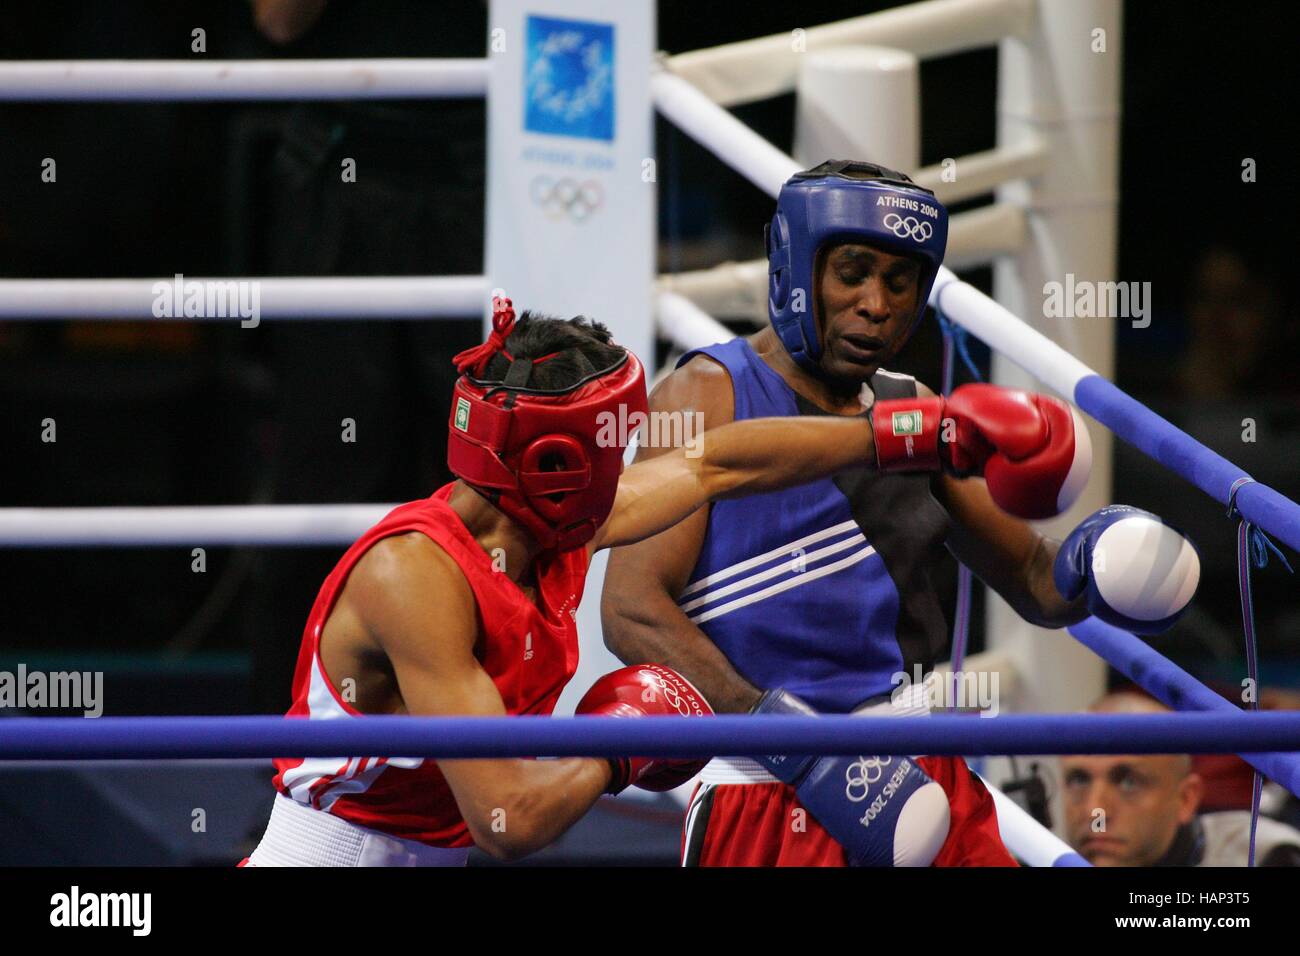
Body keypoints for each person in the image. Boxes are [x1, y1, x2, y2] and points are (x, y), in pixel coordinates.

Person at [244, 293, 1094, 866]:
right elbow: (508, 818)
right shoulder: (415, 577)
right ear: (554, 464)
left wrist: (914, 433)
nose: (631, 465)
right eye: (611, 450)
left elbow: (718, 462)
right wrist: (621, 746)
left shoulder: (548, 526)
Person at [601, 160, 1202, 867]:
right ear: (798, 268)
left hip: (927, 775)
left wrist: (1101, 563)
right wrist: (794, 748)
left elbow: (1034, 579)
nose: (876, 303)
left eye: (898, 280)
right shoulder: (707, 394)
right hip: (773, 797)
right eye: (851, 272)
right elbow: (631, 610)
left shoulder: (910, 406)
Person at [1061, 691, 1300, 866]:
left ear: (1186, 798)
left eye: (1128, 783)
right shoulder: (1036, 850)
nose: (1095, 810)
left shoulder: (1263, 855)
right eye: (1079, 781)